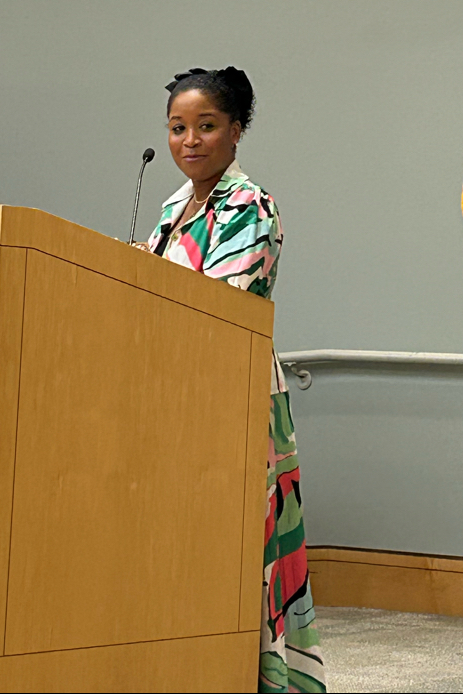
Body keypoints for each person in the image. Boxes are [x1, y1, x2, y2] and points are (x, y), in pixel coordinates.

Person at [140, 67, 326, 694]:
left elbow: (216, 305)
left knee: (249, 554)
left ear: (236, 131)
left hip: (234, 394)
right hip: (170, 395)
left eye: (206, 126)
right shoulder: (172, 207)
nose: (190, 140)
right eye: (177, 129)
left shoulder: (249, 206)